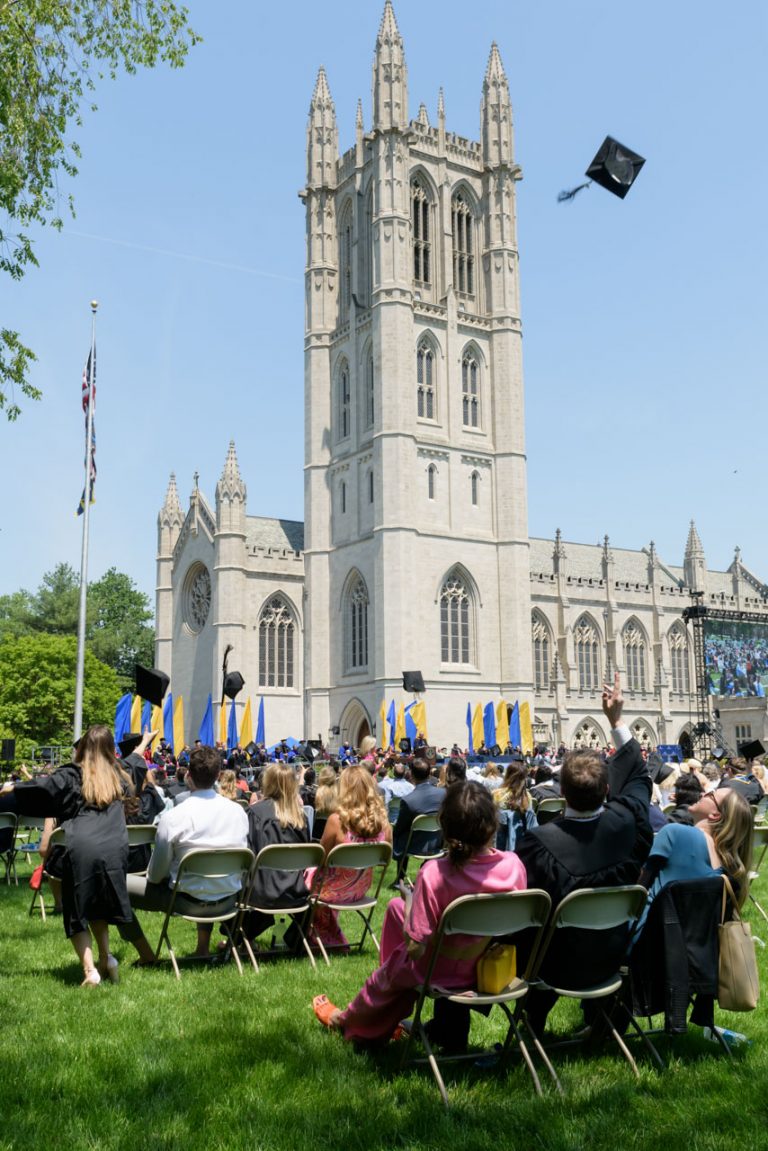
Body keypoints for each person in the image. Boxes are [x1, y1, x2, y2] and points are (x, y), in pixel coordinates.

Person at [312, 781, 527, 1047]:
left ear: (445, 825)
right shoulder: (513, 866)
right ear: (493, 823)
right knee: (395, 908)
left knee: (387, 975)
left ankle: (347, 1020)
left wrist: (413, 902)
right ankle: (400, 1004)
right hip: (485, 965)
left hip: (437, 969)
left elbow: (416, 949)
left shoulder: (436, 874)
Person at [515, 673, 652, 1034]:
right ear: (607, 790)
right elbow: (639, 777)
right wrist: (616, 721)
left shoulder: (537, 844)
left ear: (561, 792)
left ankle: (532, 1023)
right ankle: (605, 1020)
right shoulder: (629, 825)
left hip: (551, 965)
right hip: (614, 954)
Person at [0, 726, 153, 986]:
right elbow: (136, 758)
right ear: (110, 748)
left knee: (76, 909)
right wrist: (146, 740)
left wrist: (12, 786)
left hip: (83, 846)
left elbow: (42, 787)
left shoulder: (72, 775)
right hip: (116, 846)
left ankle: (90, 971)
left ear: (83, 747)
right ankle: (107, 959)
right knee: (99, 906)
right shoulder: (119, 773)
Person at [119, 744, 248, 962]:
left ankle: (146, 955)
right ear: (218, 775)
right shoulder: (238, 813)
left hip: (185, 900)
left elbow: (156, 875)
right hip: (228, 898)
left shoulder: (174, 817)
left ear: (188, 775)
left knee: (115, 884)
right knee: (206, 876)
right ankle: (202, 948)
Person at [636, 785, 753, 934]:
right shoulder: (731, 865)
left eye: (711, 794)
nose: (703, 793)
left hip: (650, 937)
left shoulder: (674, 832)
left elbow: (638, 888)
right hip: (697, 942)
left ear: (715, 815)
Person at [306, 766, 392, 950]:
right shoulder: (384, 824)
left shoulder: (337, 821)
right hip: (360, 889)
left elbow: (320, 858)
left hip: (330, 891)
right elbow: (386, 861)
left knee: (306, 875)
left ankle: (313, 937)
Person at [235, 762, 311, 949]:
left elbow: (246, 855)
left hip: (261, 892)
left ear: (267, 783)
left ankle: (241, 938)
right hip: (296, 891)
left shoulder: (254, 813)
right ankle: (293, 939)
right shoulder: (301, 817)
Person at [392, 758, 445, 866]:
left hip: (414, 845)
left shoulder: (408, 800)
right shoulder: (444, 794)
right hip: (438, 842)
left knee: (399, 835)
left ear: (411, 774)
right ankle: (426, 866)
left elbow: (399, 829)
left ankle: (400, 875)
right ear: (429, 774)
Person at [494, 761, 538, 851]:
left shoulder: (496, 794)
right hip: (521, 845)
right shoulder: (528, 797)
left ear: (507, 775)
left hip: (500, 844)